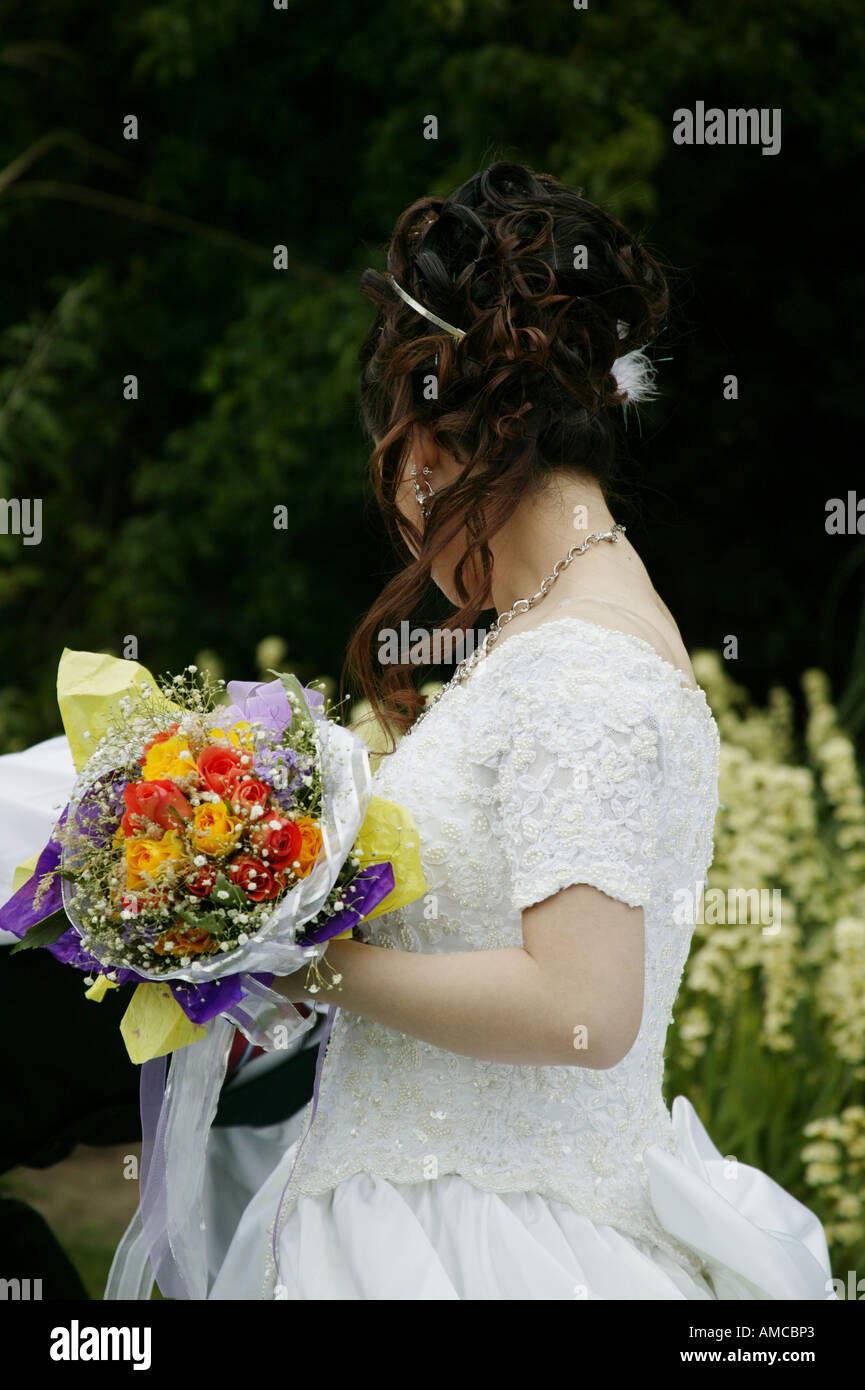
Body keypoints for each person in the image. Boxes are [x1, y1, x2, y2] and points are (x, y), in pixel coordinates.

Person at [199, 161, 834, 1300]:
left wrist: (311, 964)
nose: (403, 507)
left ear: (442, 445)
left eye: (400, 456)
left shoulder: (580, 661)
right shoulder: (553, 628)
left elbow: (581, 1008)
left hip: (478, 1248)